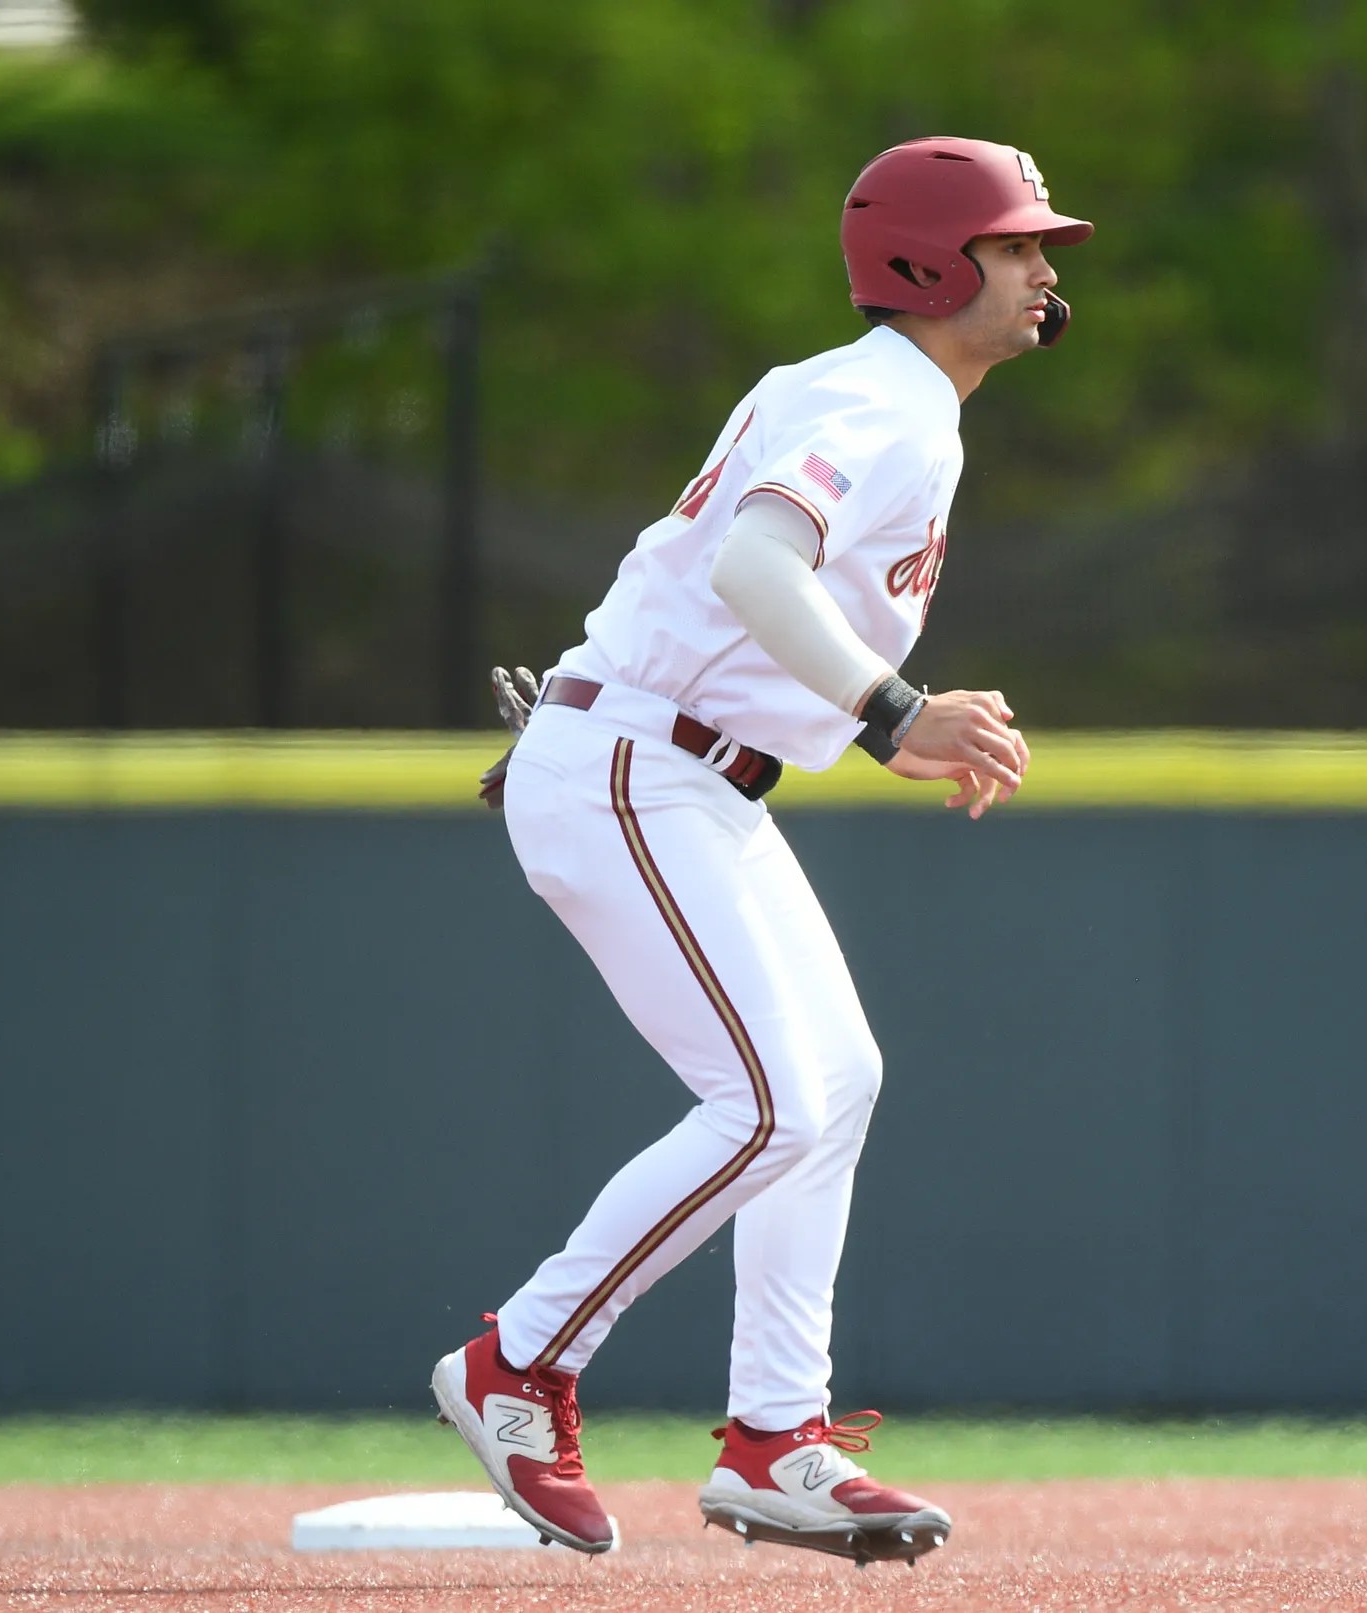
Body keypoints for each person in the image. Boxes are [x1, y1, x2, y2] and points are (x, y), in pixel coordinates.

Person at [434, 136, 1092, 1568]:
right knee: (769, 1100)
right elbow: (749, 566)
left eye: (1046, 242)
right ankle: (521, 1360)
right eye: (1018, 241)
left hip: (674, 768)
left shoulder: (887, 398)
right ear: (930, 262)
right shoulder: (882, 398)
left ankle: (774, 1438)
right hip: (641, 764)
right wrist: (896, 710)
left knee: (832, 1083)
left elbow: (717, 584)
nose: (1046, 264)